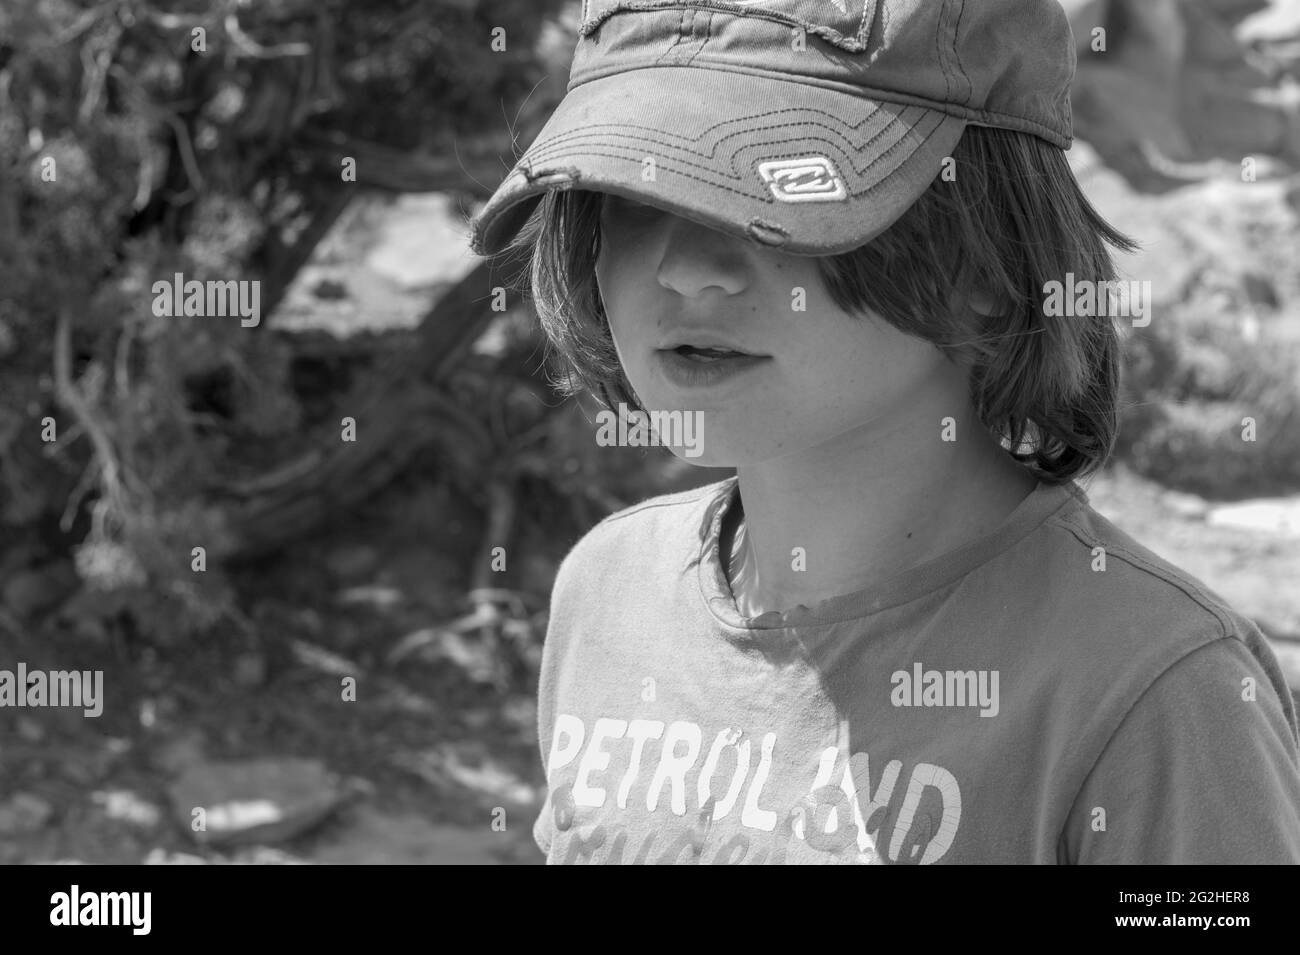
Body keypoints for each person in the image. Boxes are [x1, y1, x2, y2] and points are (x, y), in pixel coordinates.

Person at [467, 0, 1300, 864]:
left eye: (770, 196)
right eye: (632, 196)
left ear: (986, 257)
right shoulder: (606, 590)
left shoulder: (1154, 695)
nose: (685, 270)